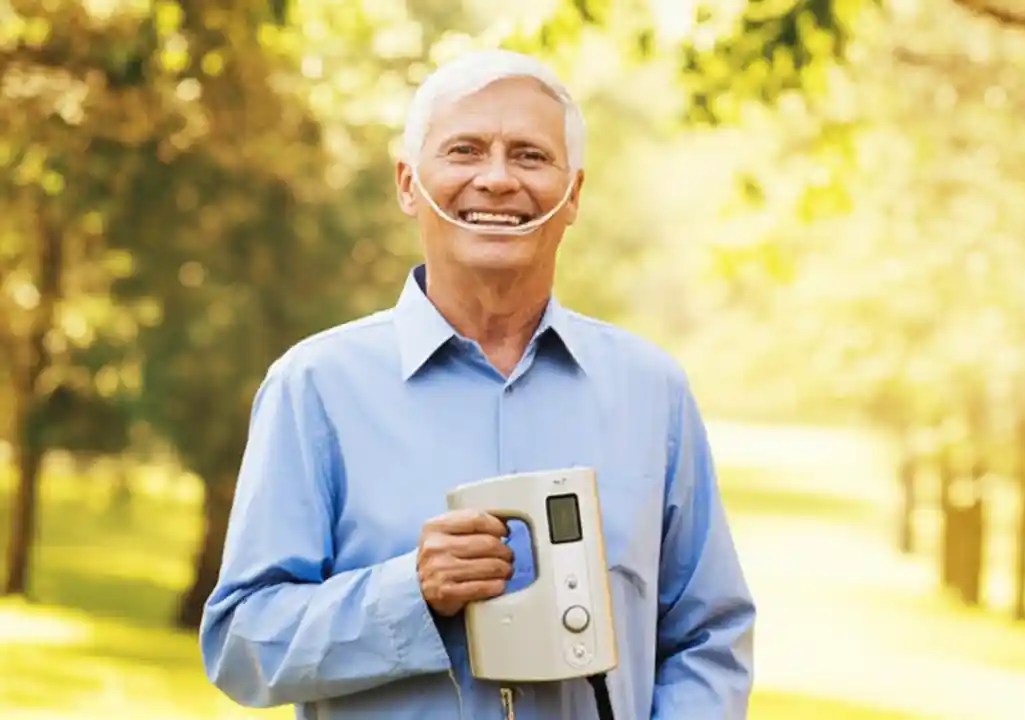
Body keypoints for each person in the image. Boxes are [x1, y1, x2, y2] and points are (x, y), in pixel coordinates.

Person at [199, 48, 755, 719]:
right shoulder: (315, 389)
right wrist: (409, 593)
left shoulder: (652, 393)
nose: (496, 180)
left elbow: (709, 637)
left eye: (529, 155)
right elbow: (241, 645)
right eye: (464, 150)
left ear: (573, 193)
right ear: (408, 183)